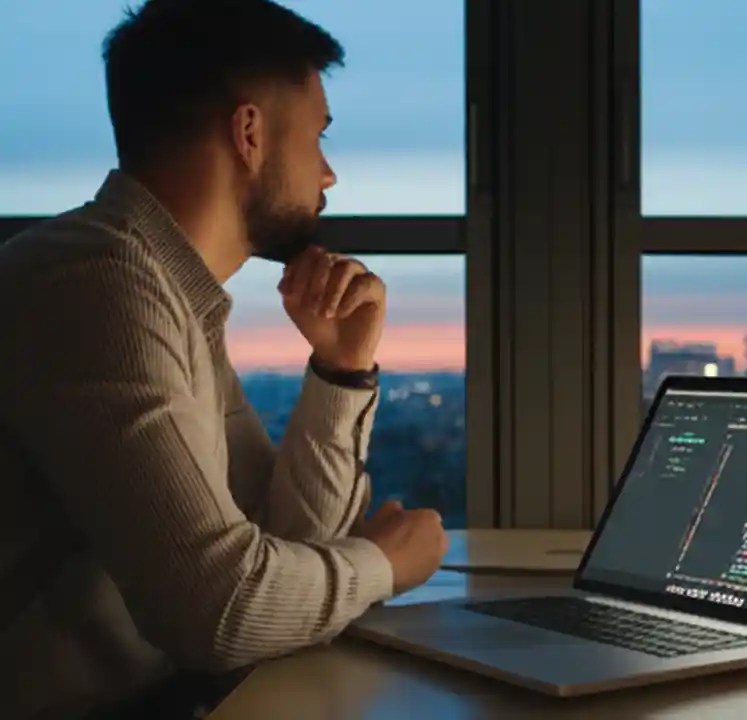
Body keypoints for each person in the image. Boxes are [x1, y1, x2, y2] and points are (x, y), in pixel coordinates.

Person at [0, 1, 449, 716]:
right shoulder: (94, 282)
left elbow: (289, 550)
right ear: (249, 134)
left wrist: (341, 371)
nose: (329, 174)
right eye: (319, 137)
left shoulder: (166, 294)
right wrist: (386, 564)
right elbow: (218, 612)